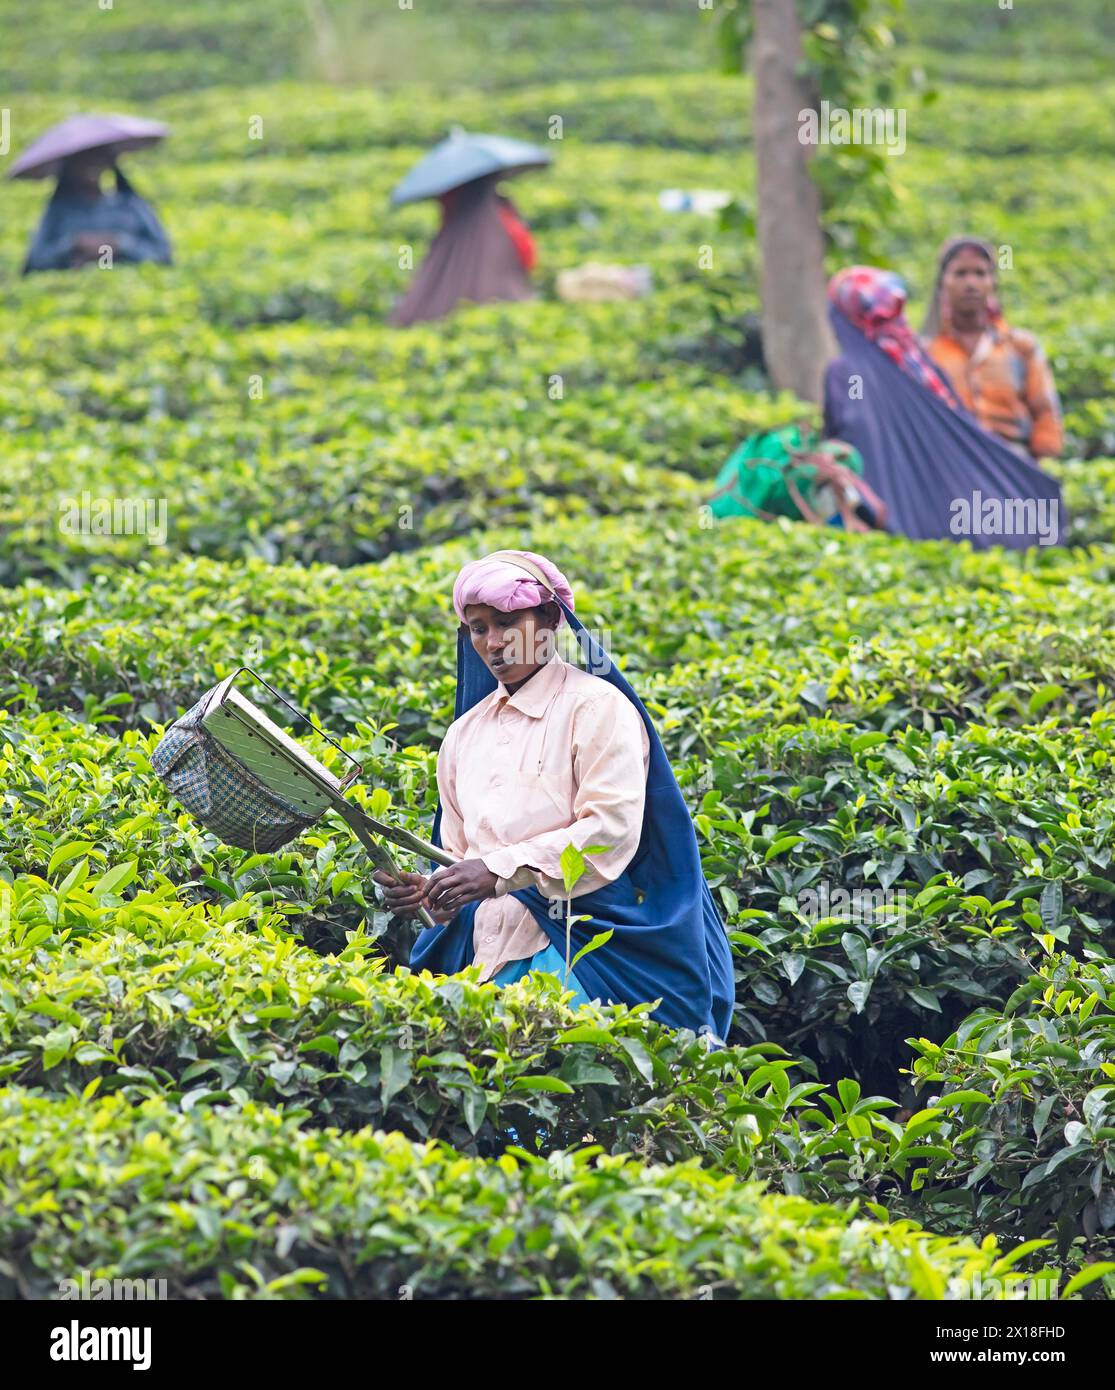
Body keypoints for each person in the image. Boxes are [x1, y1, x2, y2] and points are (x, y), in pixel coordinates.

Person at [374, 548, 734, 1040]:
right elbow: (458, 858)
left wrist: (497, 871)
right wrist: (431, 891)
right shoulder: (463, 736)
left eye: (506, 623)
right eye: (478, 628)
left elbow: (609, 830)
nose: (493, 643)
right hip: (480, 961)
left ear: (547, 619)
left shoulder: (598, 708)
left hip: (579, 954)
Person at [822, 265, 1063, 548]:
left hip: (898, 514)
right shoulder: (919, 360)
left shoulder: (847, 372)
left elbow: (851, 433)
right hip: (956, 501)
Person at [922, 237, 1063, 460]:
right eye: (960, 274)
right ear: (943, 282)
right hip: (950, 463)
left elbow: (1045, 411)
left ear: (992, 282)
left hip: (1014, 463)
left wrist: (1040, 466)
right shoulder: (925, 352)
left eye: (980, 274)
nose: (971, 283)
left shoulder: (1020, 346)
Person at [388, 174, 535, 327]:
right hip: (502, 301)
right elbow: (525, 252)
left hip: (451, 311)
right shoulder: (496, 211)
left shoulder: (457, 214)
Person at [23, 150, 172, 274]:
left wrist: (120, 243)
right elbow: (35, 260)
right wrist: (74, 244)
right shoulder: (59, 211)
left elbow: (163, 254)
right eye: (82, 160)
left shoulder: (130, 205)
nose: (90, 165)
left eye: (96, 158)